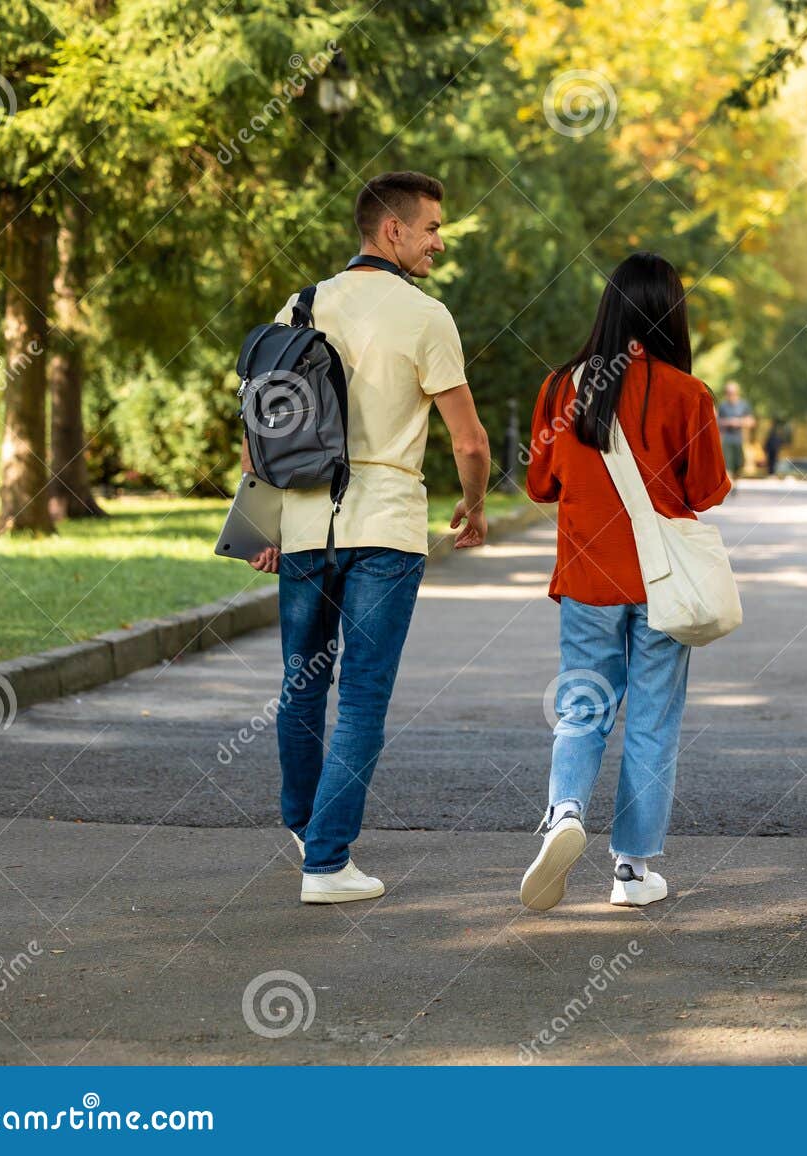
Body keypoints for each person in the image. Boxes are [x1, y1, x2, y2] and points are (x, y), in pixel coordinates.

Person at [246, 171, 491, 904]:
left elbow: (265, 425)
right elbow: (470, 441)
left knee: (301, 685)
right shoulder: (425, 315)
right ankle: (326, 863)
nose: (439, 243)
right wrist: (474, 506)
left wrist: (265, 521)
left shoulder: (300, 305)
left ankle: (306, 829)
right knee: (361, 698)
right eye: (432, 229)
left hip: (303, 521)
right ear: (393, 231)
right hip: (384, 525)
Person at [520, 252, 731, 912]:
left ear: (608, 309)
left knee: (582, 709)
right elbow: (706, 490)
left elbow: (539, 484)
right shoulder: (687, 394)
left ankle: (564, 814)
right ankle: (633, 872)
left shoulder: (561, 388)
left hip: (587, 579)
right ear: (672, 315)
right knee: (651, 720)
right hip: (661, 584)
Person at [716, 380, 754, 478]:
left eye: (733, 392)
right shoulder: (723, 406)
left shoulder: (744, 405)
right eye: (728, 393)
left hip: (740, 439)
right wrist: (729, 422)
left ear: (737, 392)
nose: (731, 395)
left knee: (739, 464)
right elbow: (717, 421)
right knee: (728, 464)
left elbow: (751, 421)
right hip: (727, 439)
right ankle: (730, 484)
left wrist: (739, 422)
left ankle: (735, 481)